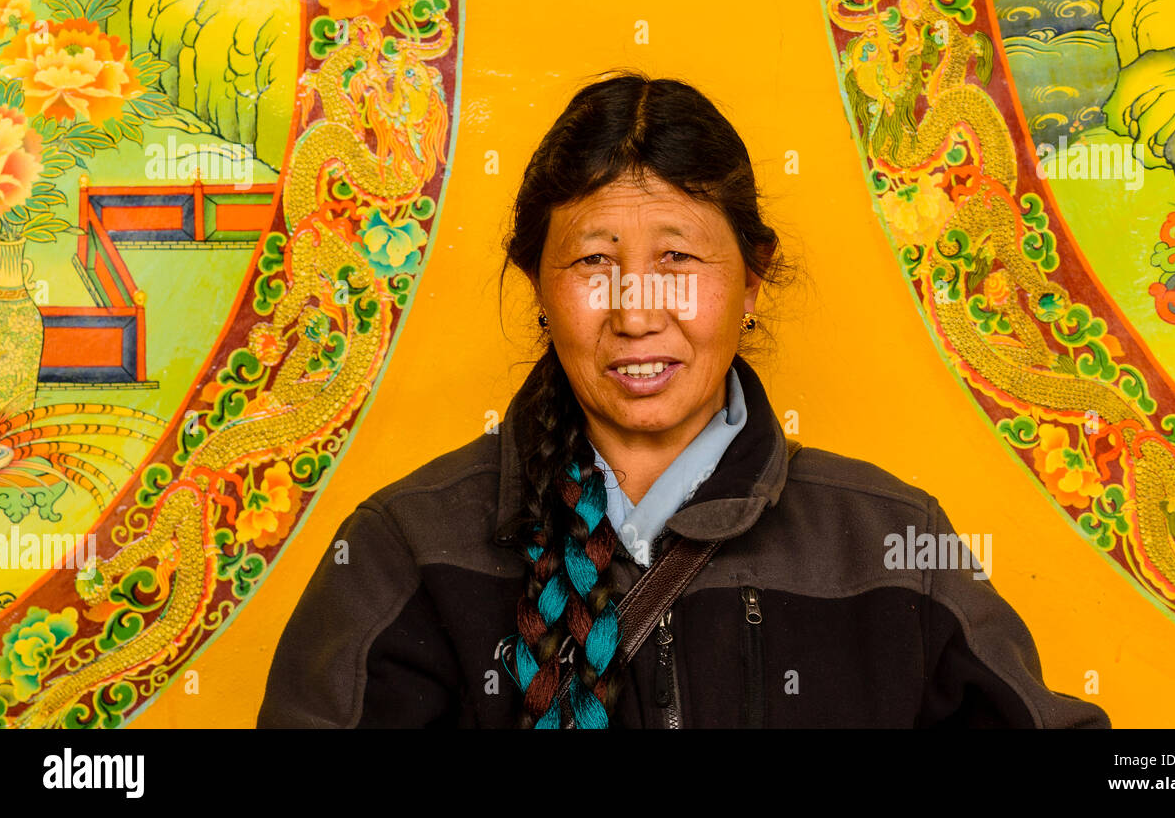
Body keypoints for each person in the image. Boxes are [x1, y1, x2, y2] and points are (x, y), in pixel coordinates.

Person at [256, 71, 1111, 729]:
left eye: (678, 261)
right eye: (594, 262)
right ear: (539, 290)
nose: (636, 313)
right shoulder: (406, 552)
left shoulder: (890, 544)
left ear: (752, 279)